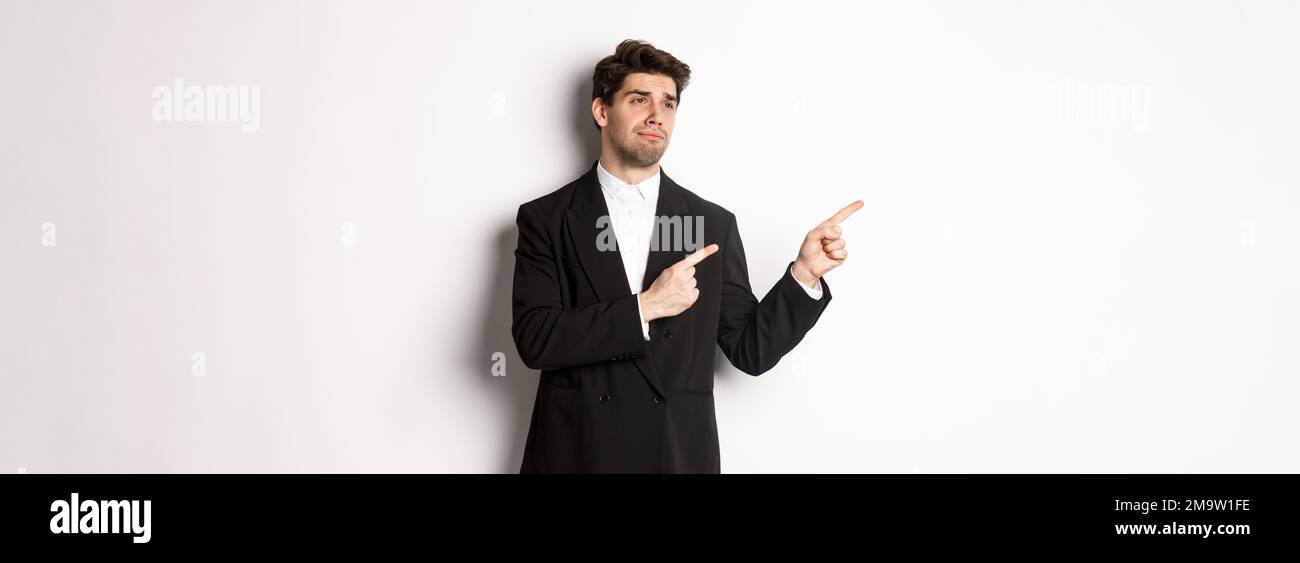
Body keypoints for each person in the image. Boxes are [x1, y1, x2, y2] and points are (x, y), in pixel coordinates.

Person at [512, 39, 862, 473]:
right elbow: (535, 339)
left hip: (675, 454)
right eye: (639, 100)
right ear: (602, 111)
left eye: (669, 104)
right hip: (576, 451)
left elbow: (750, 350)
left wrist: (804, 275)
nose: (657, 115)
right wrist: (645, 307)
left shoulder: (711, 223)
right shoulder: (546, 217)